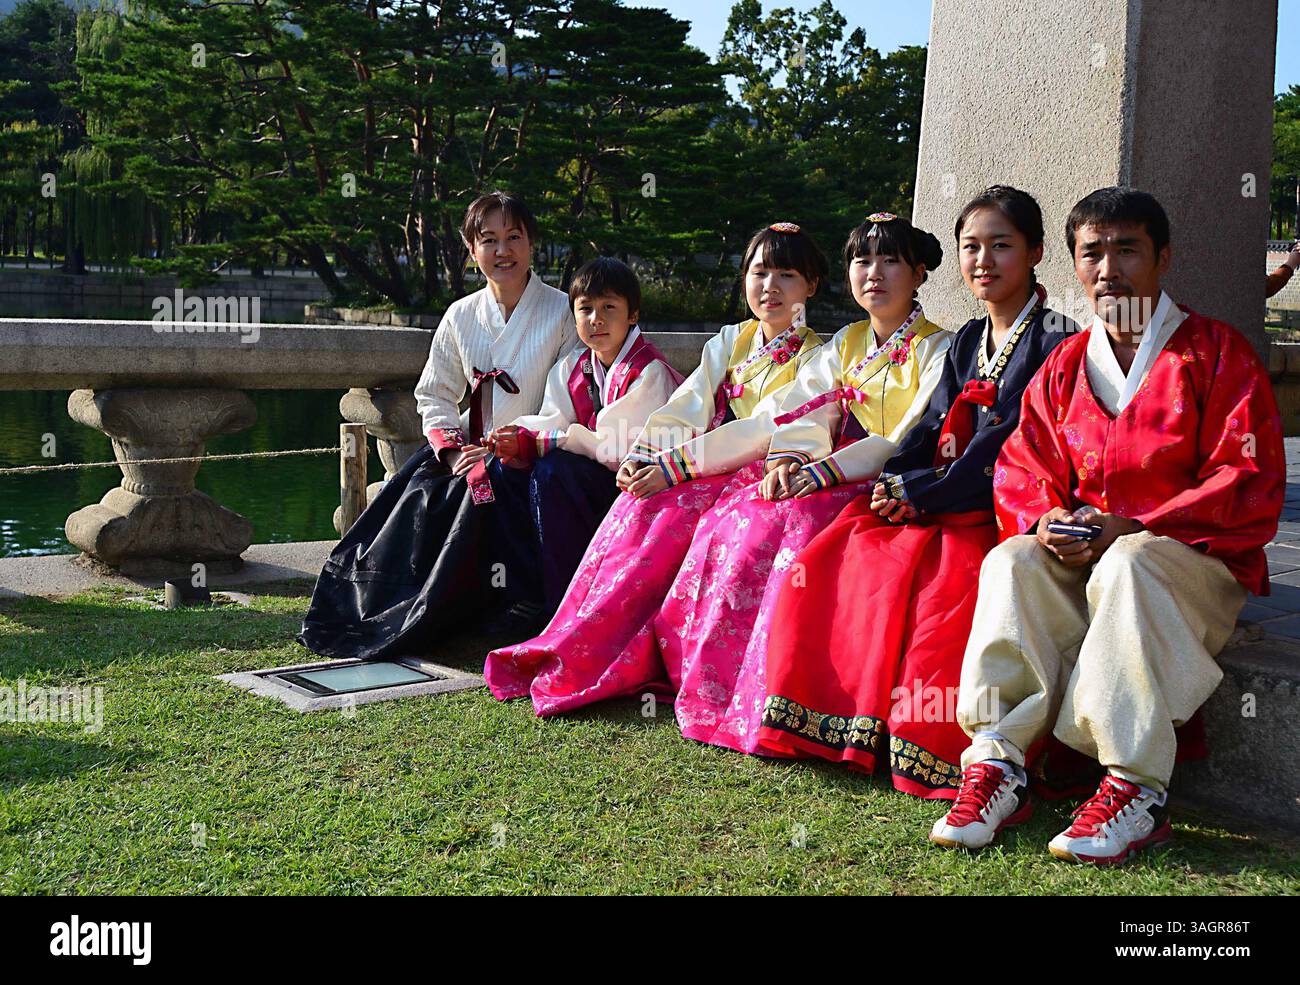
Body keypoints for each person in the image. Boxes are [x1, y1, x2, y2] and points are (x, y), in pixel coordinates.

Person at [929, 187, 1285, 864]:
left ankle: (1135, 785)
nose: (1109, 268)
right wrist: (1047, 517)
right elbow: (1022, 464)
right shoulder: (1065, 364)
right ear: (1072, 263)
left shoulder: (1216, 354)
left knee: (1130, 560)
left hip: (1188, 571)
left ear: (1163, 258)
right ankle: (998, 761)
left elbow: (1247, 482)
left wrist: (1136, 524)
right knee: (1011, 561)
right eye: (1092, 251)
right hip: (1084, 562)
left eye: (1128, 249)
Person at [756, 187, 1074, 797]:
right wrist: (898, 481)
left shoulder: (1056, 340)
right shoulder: (966, 340)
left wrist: (928, 495)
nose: (984, 260)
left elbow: (1010, 438)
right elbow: (929, 425)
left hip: (999, 503)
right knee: (841, 546)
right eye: (971, 247)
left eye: (1001, 246)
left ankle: (935, 741)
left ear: (1035, 252)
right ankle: (840, 723)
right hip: (938, 492)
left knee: (937, 579)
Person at [484, 222, 827, 708]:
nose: (770, 287)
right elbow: (687, 407)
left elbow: (765, 428)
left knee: (678, 522)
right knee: (635, 507)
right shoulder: (729, 340)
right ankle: (580, 634)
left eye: (787, 275)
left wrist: (675, 467)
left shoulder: (820, 356)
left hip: (752, 468)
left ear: (811, 286)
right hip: (700, 465)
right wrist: (647, 457)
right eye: (759, 272)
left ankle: (659, 650)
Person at [650, 212, 951, 754]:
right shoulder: (845, 343)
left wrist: (821, 472)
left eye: (890, 260)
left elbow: (908, 436)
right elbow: (806, 410)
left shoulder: (939, 348)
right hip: (822, 473)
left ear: (920, 273)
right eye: (862, 260)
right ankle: (712, 681)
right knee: (738, 516)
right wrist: (787, 460)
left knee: (792, 526)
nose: (873, 273)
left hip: (874, 479)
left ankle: (775, 690)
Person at [298, 191, 575, 659]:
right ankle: (412, 607)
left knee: (490, 491)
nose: (502, 251)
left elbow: (566, 398)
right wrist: (450, 450)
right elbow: (434, 394)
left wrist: (512, 441)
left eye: (513, 237)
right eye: (488, 240)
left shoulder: (564, 312)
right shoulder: (460, 315)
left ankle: (513, 603)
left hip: (536, 445)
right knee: (415, 499)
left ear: (532, 244)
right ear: (472, 250)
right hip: (467, 446)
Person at [484, 257, 683, 621]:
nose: (597, 319)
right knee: (504, 472)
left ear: (632, 315)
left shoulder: (648, 371)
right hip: (592, 475)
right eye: (586, 309)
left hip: (636, 482)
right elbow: (553, 421)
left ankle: (565, 603)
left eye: (609, 307)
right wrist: (518, 437)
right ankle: (527, 592)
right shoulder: (571, 368)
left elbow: (615, 445)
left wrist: (544, 440)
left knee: (554, 472)